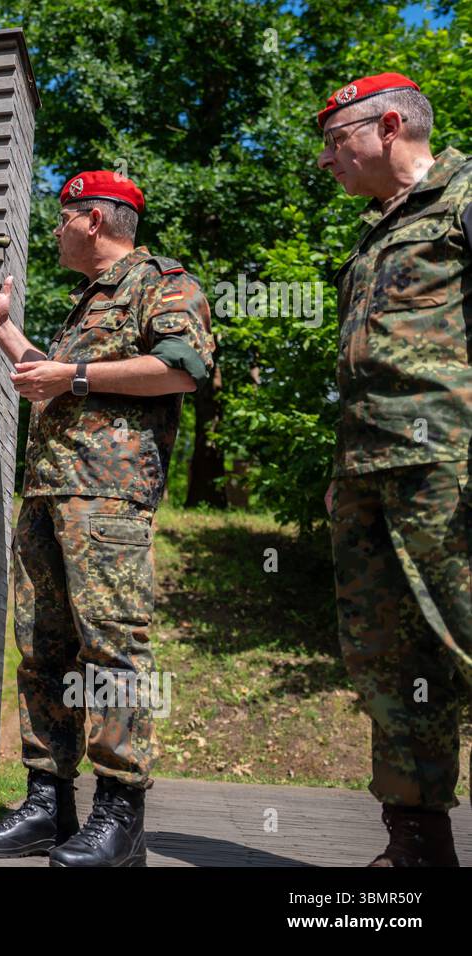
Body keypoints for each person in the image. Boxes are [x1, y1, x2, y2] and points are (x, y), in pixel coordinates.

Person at [0, 171, 215, 865]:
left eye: (64, 216)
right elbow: (51, 381)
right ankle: (49, 803)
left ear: (96, 220)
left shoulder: (162, 282)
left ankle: (120, 815)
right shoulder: (86, 303)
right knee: (43, 649)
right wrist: (2, 327)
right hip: (48, 495)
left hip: (109, 501)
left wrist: (72, 377)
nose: (55, 230)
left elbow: (183, 367)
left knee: (111, 651)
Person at [316, 72, 472, 866]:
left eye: (334, 139)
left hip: (449, 468)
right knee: (391, 662)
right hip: (371, 473)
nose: (324, 159)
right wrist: (346, 468)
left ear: (385, 126)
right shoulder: (378, 229)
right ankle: (416, 849)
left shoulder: (466, 195)